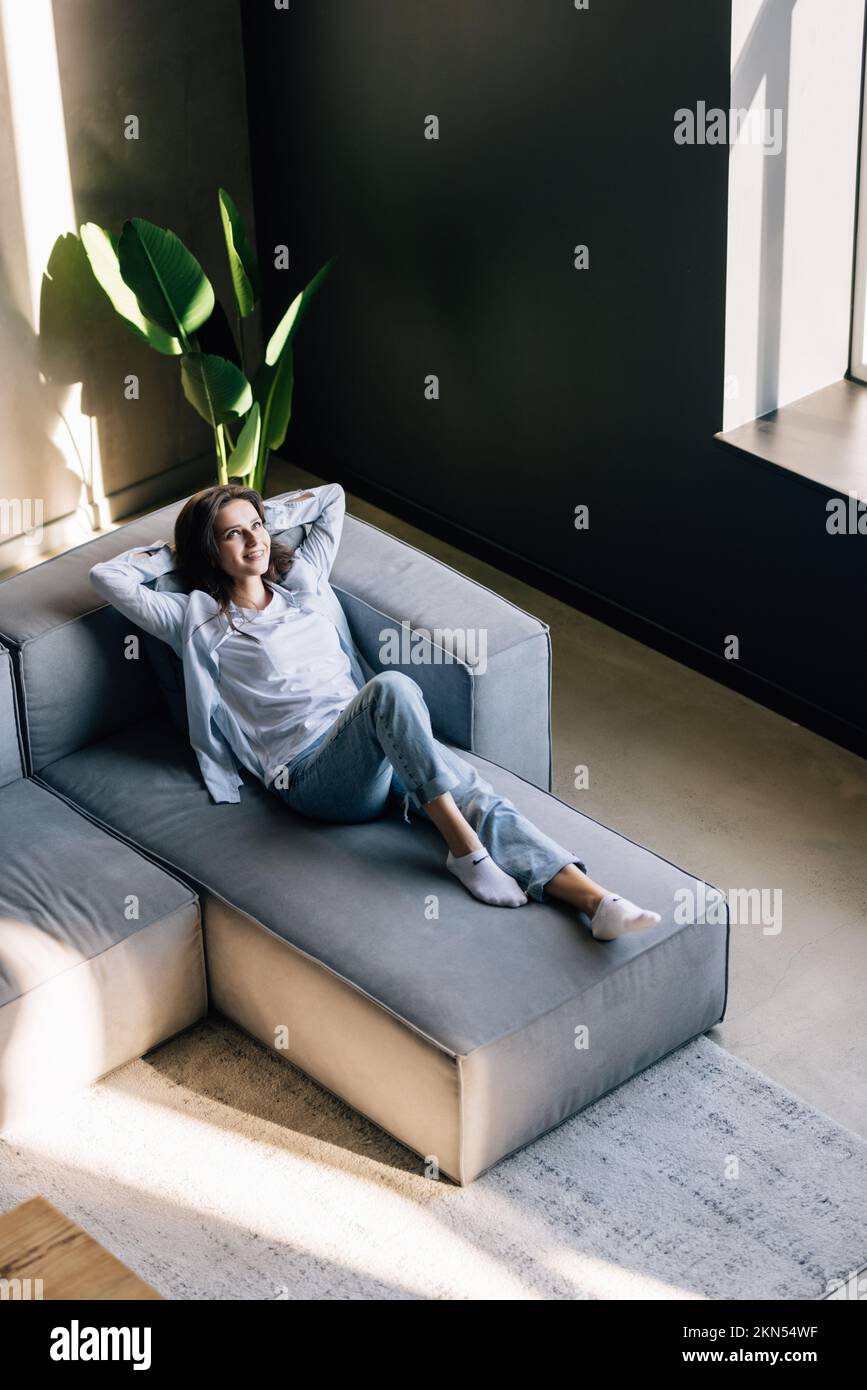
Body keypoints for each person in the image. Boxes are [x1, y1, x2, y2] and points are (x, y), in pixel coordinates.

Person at [89, 482, 661, 941]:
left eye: (257, 526)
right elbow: (107, 576)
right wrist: (179, 550)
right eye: (233, 536)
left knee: (481, 796)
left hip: (379, 745)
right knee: (390, 689)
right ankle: (464, 852)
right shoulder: (191, 619)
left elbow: (331, 497)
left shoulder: (302, 586)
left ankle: (595, 902)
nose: (254, 541)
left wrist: (252, 508)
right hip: (314, 776)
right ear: (209, 552)